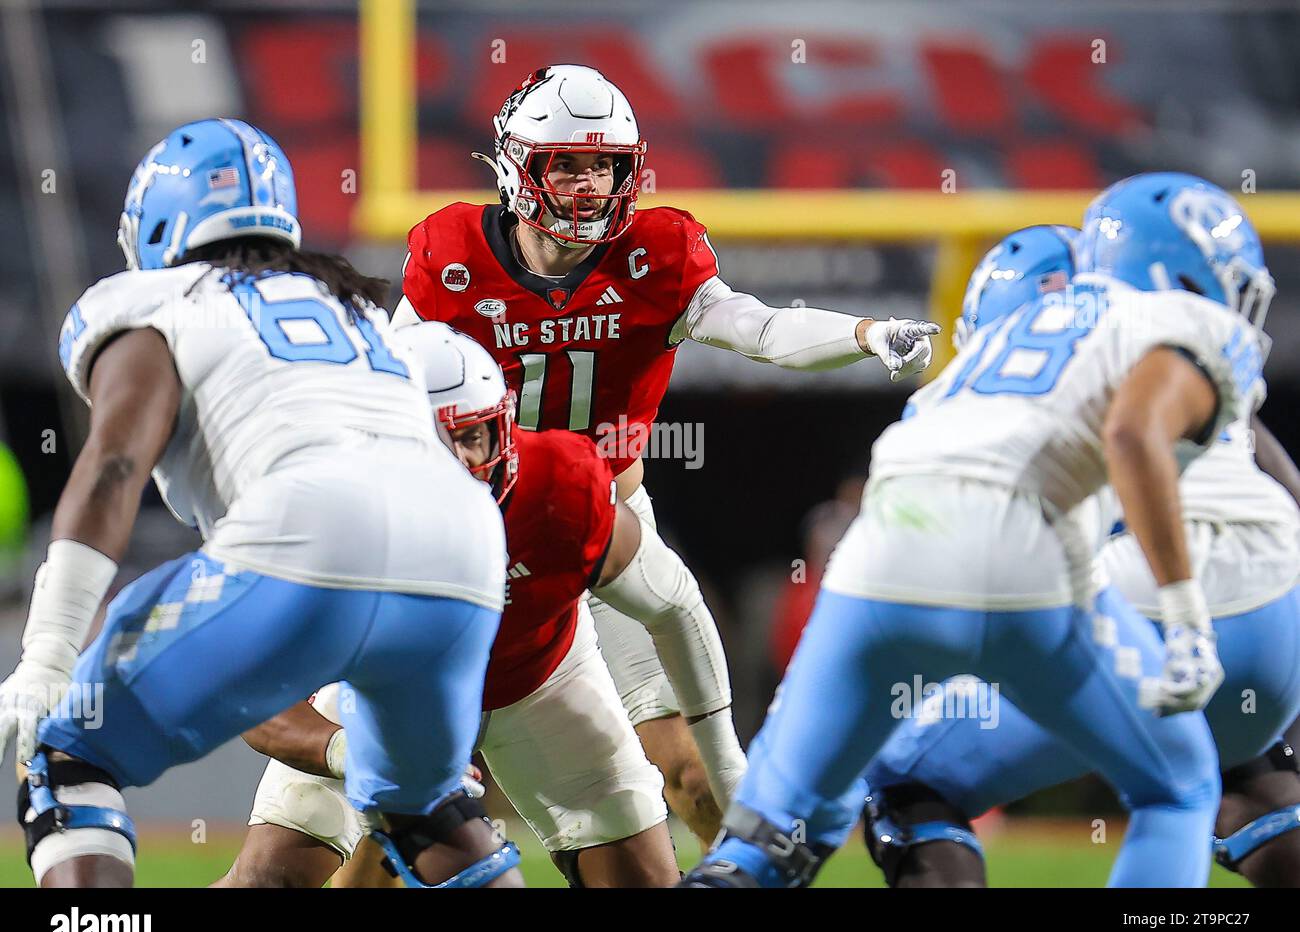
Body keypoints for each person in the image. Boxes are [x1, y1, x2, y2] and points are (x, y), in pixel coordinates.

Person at [393, 64, 940, 842]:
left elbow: (757, 327)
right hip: (475, 539)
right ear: (521, 165)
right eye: (569, 163)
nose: (590, 184)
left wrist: (863, 334)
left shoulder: (656, 253)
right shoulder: (451, 257)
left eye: (605, 164)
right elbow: (386, 388)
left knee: (689, 774)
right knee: (395, 808)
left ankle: (741, 844)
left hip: (606, 528)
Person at [682, 172, 1271, 887]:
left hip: (875, 557)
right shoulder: (1183, 323)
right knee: (1177, 785)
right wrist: (1182, 617)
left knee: (766, 836)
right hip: (1022, 559)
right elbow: (1134, 434)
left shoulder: (1004, 337)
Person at [0, 119, 520, 889]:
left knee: (66, 753)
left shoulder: (153, 299)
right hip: (467, 550)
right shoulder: (359, 309)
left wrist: (47, 650)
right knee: (428, 811)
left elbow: (113, 464)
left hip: (312, 532)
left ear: (158, 223)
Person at [863, 225, 1300, 888]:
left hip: (1116, 616)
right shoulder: (1185, 354)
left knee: (902, 779)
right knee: (1248, 773)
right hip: (1267, 620)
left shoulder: (979, 394)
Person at [220, 324, 732, 887]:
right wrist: (349, 751)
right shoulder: (327, 518)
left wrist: (722, 754)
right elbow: (253, 694)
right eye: (432, 442)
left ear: (503, 427)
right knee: (267, 879)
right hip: (386, 695)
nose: (462, 462)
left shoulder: (559, 485)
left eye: (473, 436)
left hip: (541, 681)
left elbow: (675, 606)